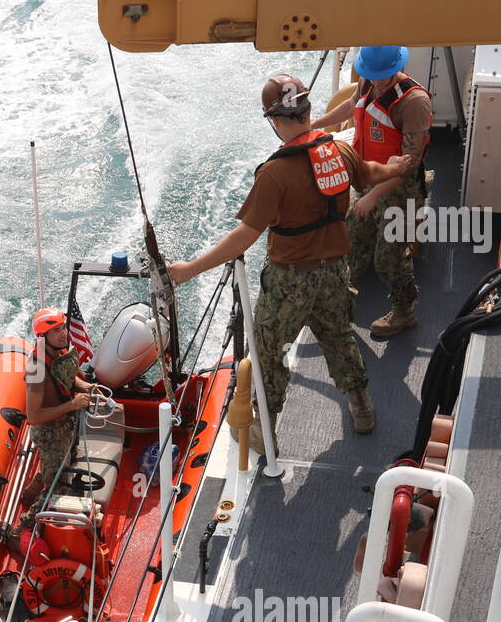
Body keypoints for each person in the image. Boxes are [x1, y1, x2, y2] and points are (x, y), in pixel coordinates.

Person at [170, 73, 412, 448]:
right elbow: (369, 174)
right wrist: (396, 168)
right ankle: (361, 405)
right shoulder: (338, 151)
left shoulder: (274, 174)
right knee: (339, 336)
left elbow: (244, 237)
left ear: (275, 120)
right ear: (309, 109)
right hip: (334, 272)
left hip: (289, 280)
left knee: (269, 349)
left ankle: (263, 431)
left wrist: (189, 269)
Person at [311, 46, 432, 339]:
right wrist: (316, 125)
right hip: (367, 180)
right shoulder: (367, 81)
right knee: (348, 244)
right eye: (372, 76)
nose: (377, 82)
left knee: (388, 258)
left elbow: (408, 164)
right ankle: (340, 307)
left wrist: (372, 196)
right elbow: (353, 105)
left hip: (399, 191)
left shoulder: (414, 103)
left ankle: (405, 311)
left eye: (383, 77)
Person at [10, 308, 93, 543]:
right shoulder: (36, 370)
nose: (63, 334)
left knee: (66, 459)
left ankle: (33, 487)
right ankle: (19, 532)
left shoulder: (58, 351)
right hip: (50, 431)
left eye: (63, 328)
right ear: (42, 336)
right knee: (57, 482)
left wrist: (83, 387)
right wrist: (73, 405)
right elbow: (34, 416)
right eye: (55, 331)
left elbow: (67, 378)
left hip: (66, 422)